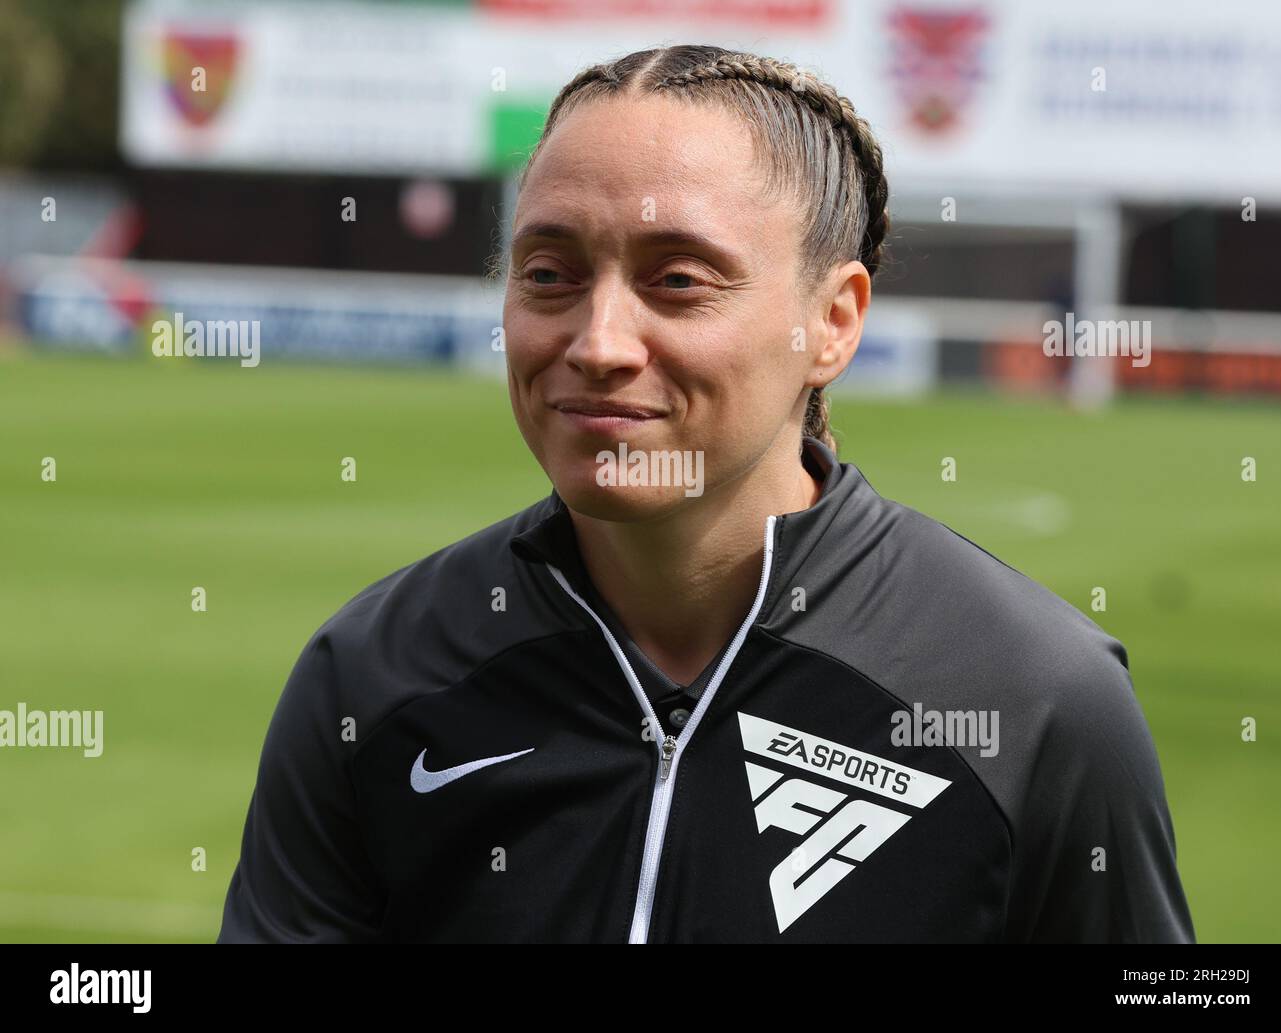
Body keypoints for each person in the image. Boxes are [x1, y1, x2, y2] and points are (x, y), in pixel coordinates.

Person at [217, 45, 1195, 943]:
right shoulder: (372, 677)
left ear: (832, 320)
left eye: (677, 281)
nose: (597, 342)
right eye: (549, 273)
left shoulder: (1038, 699)